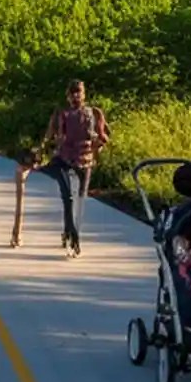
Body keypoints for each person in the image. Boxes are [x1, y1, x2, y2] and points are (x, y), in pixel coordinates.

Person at [38, 79, 109, 257]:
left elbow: (104, 137)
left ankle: (69, 232)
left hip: (85, 160)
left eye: (79, 92)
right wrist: (47, 146)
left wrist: (98, 145)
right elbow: (48, 137)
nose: (76, 96)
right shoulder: (61, 113)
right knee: (68, 197)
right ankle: (73, 237)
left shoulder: (94, 113)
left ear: (84, 94)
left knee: (80, 201)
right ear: (68, 96)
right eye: (73, 93)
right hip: (62, 159)